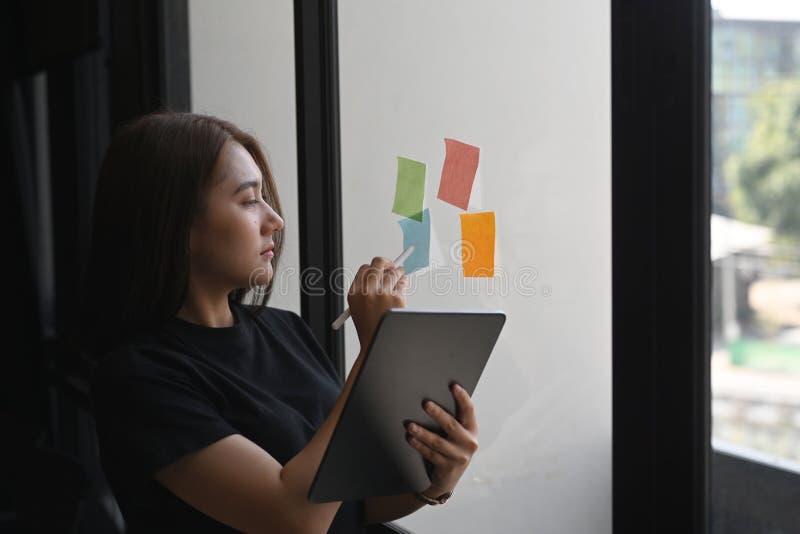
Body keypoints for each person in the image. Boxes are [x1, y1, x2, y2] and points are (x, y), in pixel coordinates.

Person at [80, 112, 480, 533]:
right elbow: (293, 520)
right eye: (250, 200)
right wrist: (378, 350)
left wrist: (434, 480)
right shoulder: (139, 379)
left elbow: (350, 503)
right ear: (177, 221)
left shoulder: (285, 330)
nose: (275, 220)